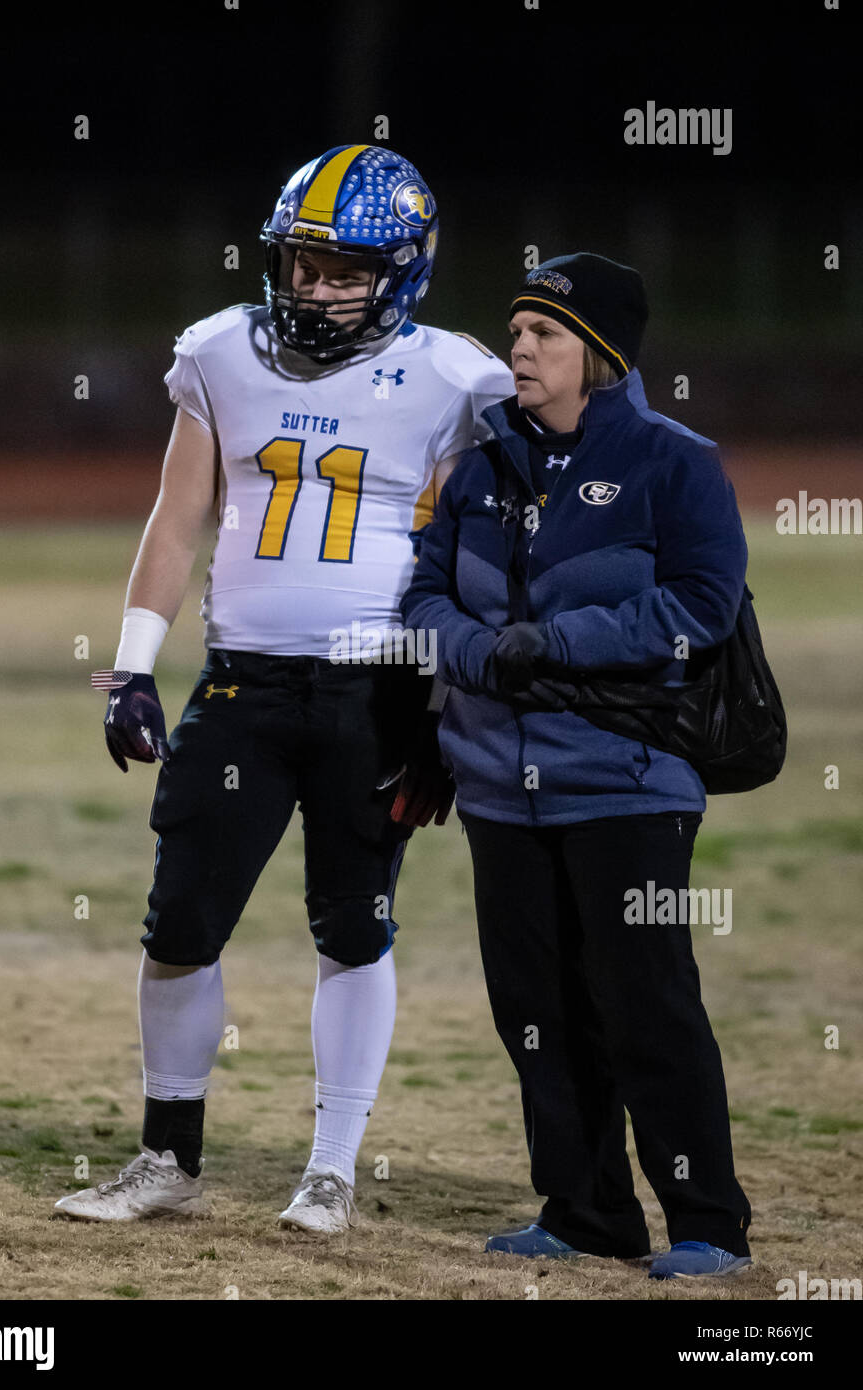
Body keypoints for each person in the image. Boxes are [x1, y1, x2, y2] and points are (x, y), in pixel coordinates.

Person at [53, 144, 512, 1231]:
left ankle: (332, 1167)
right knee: (179, 921)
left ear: (403, 269)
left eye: (342, 268)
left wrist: (447, 710)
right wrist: (133, 660)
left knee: (354, 925)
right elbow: (179, 514)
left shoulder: (458, 378)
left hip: (378, 689)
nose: (312, 287)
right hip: (244, 683)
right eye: (300, 263)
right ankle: (167, 1158)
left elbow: (475, 558)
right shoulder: (221, 352)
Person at [400, 253, 754, 1279]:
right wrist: (476, 653)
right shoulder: (481, 464)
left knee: (646, 1005)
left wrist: (555, 645)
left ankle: (707, 1223)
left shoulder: (672, 461)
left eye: (544, 335)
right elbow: (426, 597)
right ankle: (586, 1208)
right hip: (500, 791)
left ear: (598, 356)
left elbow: (700, 604)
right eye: (515, 331)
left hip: (626, 780)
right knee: (537, 1014)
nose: (520, 349)